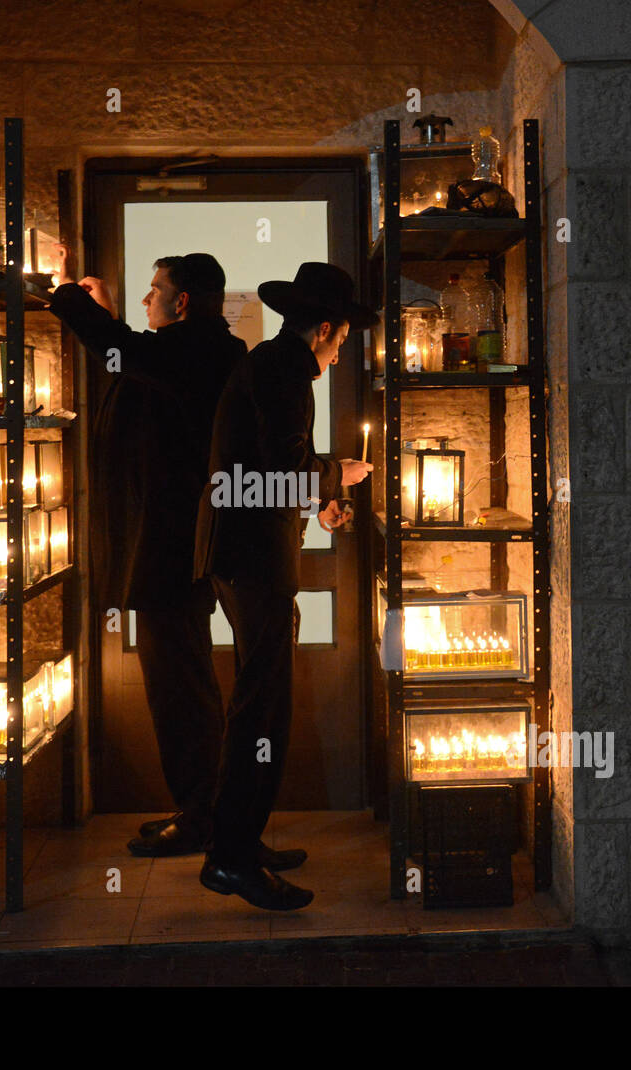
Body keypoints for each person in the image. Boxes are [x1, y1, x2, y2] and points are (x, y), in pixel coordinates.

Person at [193, 262, 375, 910]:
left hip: (244, 556)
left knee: (256, 707)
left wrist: (315, 503)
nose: (342, 347)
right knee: (260, 711)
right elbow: (284, 464)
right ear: (325, 329)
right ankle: (231, 859)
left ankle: (239, 841)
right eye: (343, 337)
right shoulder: (287, 370)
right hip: (252, 562)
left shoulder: (274, 363)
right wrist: (339, 475)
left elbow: (269, 471)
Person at [47, 254, 241, 858]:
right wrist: (102, 313)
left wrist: (65, 295)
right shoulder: (191, 350)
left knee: (178, 686)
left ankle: (203, 814)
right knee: (181, 682)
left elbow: (118, 347)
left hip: (172, 556)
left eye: (154, 290)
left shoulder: (201, 351)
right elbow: (125, 351)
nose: (145, 300)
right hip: (166, 552)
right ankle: (203, 809)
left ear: (182, 302)